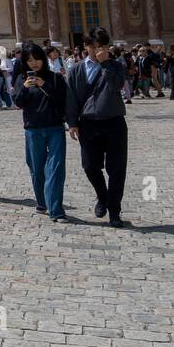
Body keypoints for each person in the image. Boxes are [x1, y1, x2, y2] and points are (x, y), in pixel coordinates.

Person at [66, 28, 129, 228]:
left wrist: (106, 64)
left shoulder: (116, 65)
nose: (97, 50)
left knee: (117, 169)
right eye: (93, 47)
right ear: (85, 47)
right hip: (89, 124)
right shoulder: (76, 69)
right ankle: (103, 197)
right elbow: (71, 98)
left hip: (114, 122)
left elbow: (116, 85)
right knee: (90, 166)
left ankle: (114, 211)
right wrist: (72, 123)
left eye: (101, 47)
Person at [12, 42, 69, 222]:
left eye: (37, 59)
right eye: (29, 60)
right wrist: (25, 89)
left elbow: (62, 100)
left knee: (56, 168)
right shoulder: (22, 80)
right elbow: (18, 103)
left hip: (54, 128)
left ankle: (56, 210)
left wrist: (44, 85)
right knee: (37, 169)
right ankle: (42, 201)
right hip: (33, 129)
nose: (34, 63)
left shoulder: (55, 78)